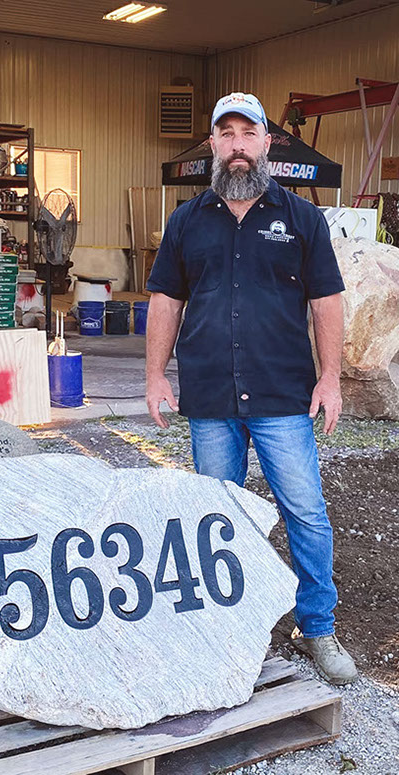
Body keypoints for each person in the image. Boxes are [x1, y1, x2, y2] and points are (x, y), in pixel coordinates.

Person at [145, 92, 358, 685]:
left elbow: (326, 302)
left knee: (306, 515)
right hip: (211, 399)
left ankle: (317, 628)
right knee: (218, 517)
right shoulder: (186, 221)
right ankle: (229, 628)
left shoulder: (302, 218)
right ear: (212, 145)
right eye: (226, 133)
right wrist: (155, 374)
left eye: (248, 133)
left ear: (267, 143)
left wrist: (331, 378)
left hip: (283, 396)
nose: (237, 144)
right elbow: (165, 300)